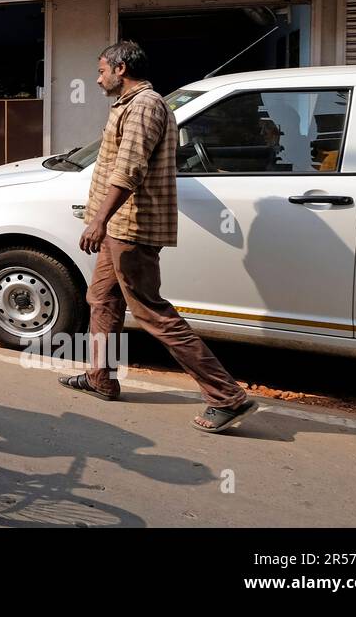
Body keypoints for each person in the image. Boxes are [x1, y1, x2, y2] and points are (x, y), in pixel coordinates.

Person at [58, 40, 258, 434]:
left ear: (120, 69)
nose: (97, 80)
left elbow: (128, 169)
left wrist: (98, 221)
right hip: (119, 226)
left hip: (131, 227)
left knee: (151, 312)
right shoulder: (130, 105)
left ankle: (226, 396)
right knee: (101, 298)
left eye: (101, 71)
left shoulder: (144, 106)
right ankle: (100, 376)